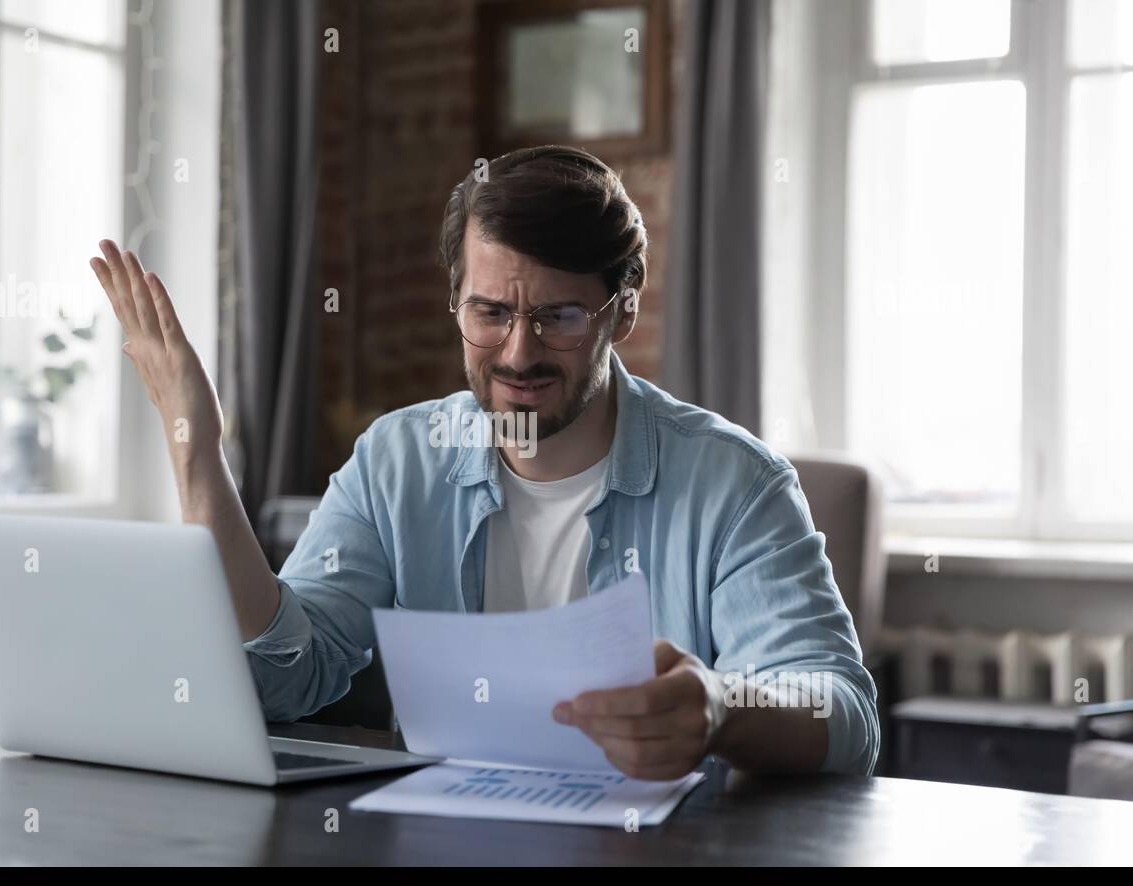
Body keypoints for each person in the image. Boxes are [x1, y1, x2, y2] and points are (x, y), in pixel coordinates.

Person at [89, 145, 880, 780]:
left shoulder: (735, 482)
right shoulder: (397, 460)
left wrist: (720, 706)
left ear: (623, 310)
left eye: (559, 317)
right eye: (490, 313)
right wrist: (196, 451)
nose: (519, 351)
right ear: (456, 302)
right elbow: (287, 674)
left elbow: (839, 706)